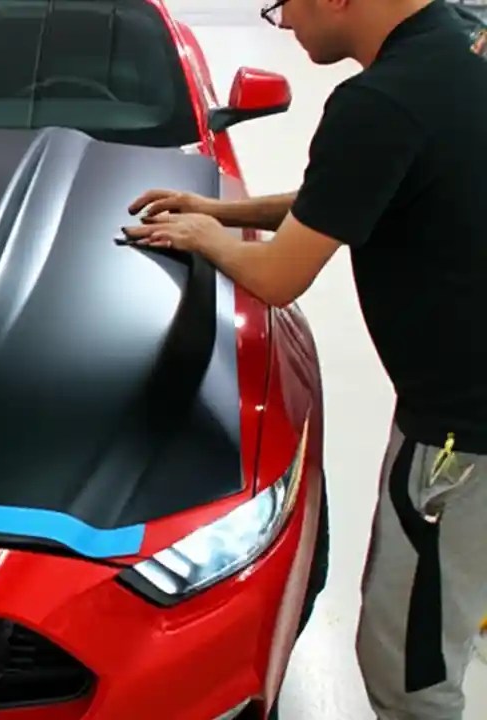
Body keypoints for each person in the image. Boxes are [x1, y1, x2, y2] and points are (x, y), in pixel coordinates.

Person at [122, 0, 486, 717]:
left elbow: (281, 276)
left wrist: (201, 236)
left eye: (284, 2)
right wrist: (224, 212)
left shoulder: (379, 100)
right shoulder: (459, 41)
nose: (282, 22)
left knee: (407, 668)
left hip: (461, 433)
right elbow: (356, 187)